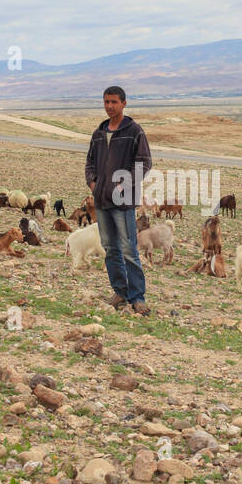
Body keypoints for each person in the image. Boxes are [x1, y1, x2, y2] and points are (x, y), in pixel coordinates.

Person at [85, 86, 152, 315]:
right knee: (110, 248)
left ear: (124, 103)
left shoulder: (134, 131)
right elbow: (89, 164)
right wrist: (93, 184)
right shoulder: (98, 133)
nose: (109, 106)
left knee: (128, 249)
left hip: (123, 202)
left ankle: (138, 296)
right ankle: (120, 291)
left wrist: (125, 183)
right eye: (106, 102)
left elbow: (144, 162)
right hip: (102, 201)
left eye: (114, 102)